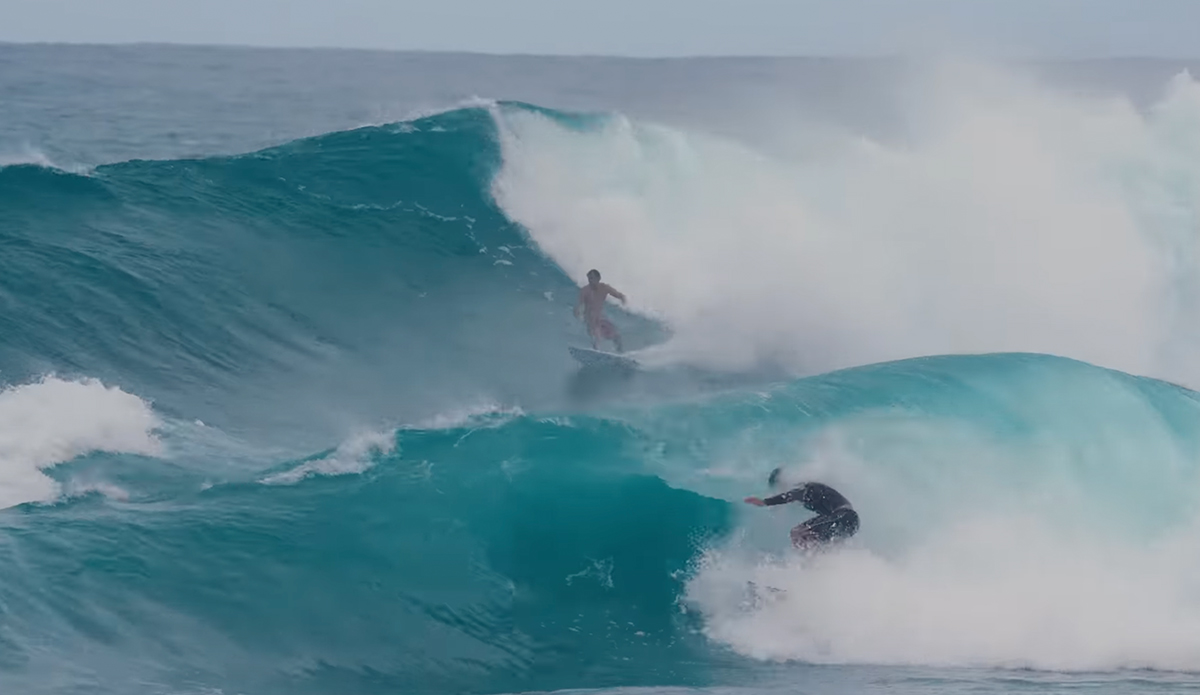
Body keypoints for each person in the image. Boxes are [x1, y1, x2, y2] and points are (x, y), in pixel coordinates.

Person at [744, 467, 859, 550]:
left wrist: (765, 502)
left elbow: (790, 495)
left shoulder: (809, 488)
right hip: (850, 522)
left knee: (797, 532)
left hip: (844, 517)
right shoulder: (819, 490)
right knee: (815, 540)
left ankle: (806, 566)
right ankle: (820, 569)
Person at [574, 269, 627, 352]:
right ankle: (596, 352)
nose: (590, 281)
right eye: (589, 279)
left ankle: (621, 353)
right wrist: (578, 312)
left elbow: (617, 294)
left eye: (592, 278)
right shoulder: (585, 290)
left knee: (616, 336)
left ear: (598, 278)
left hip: (601, 318)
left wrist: (622, 298)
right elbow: (581, 304)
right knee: (596, 335)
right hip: (590, 319)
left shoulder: (604, 288)